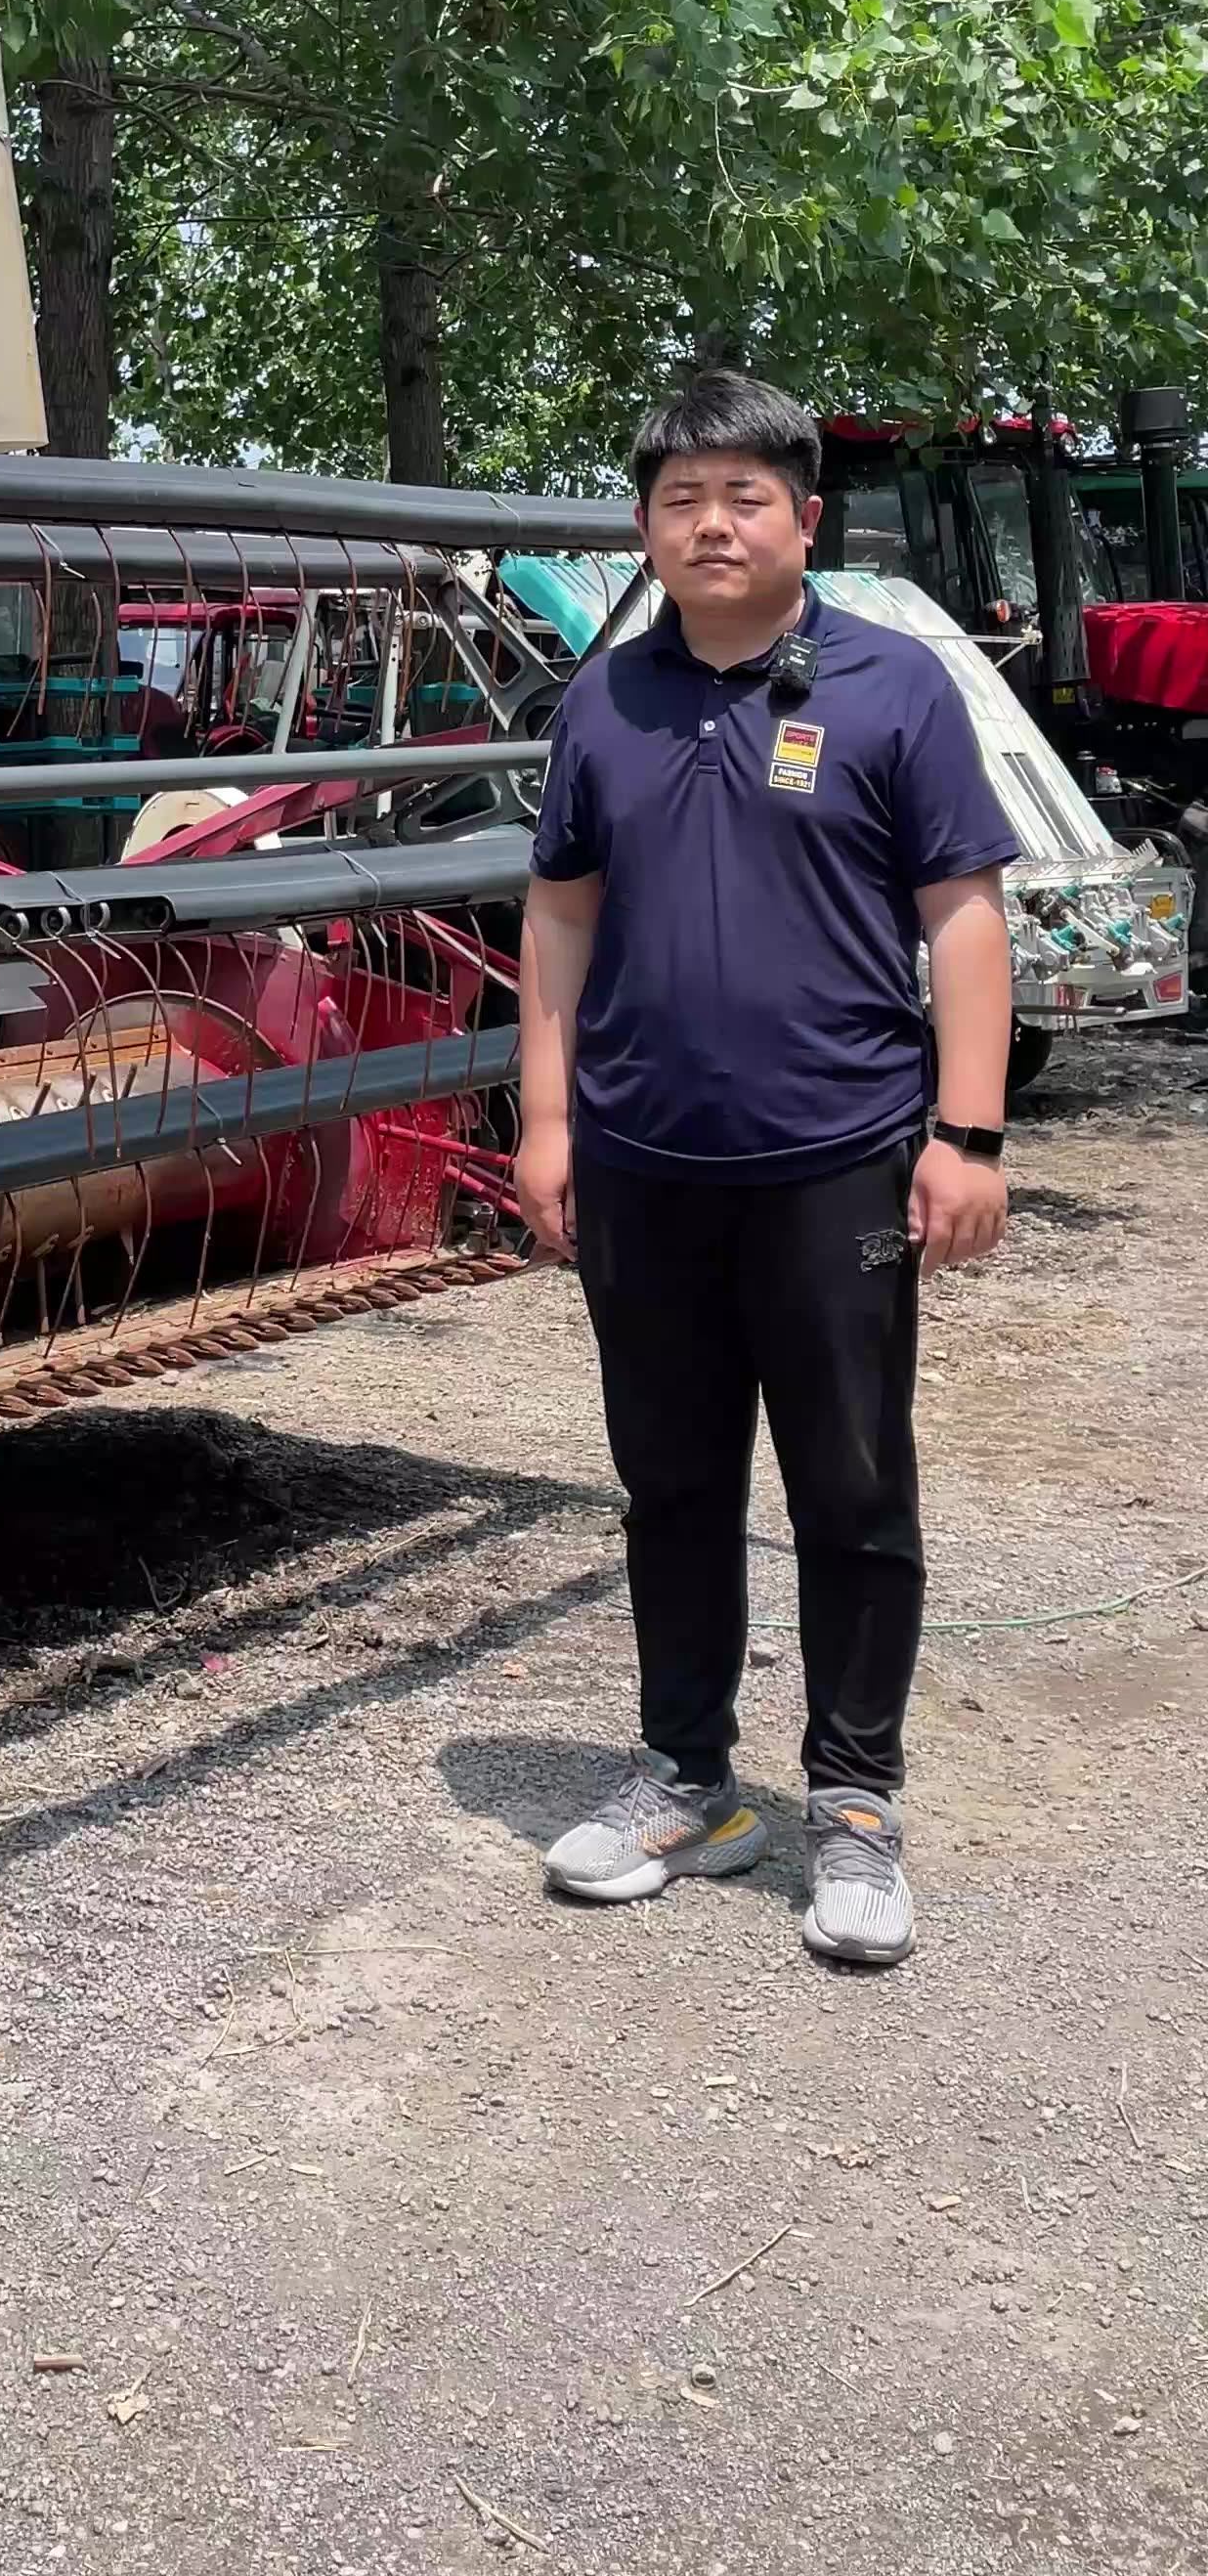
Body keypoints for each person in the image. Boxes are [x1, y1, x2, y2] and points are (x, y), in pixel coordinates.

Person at [514, 370, 1015, 1968]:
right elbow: (560, 919)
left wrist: (969, 1134)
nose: (711, 521)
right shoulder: (604, 702)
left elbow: (964, 919)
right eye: (679, 497)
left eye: (745, 494)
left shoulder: (892, 690)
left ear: (806, 518)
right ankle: (690, 1779)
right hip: (647, 1168)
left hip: (840, 1167)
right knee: (671, 1482)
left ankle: (854, 1805)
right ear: (645, 530)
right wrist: (546, 1120)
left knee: (854, 1489)